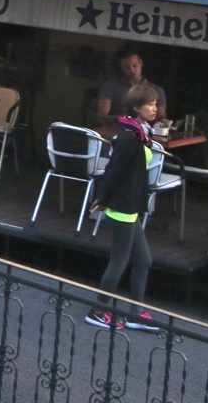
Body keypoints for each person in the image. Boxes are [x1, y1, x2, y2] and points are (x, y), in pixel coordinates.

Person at [86, 82, 164, 332]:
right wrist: (102, 197)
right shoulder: (129, 138)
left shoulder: (140, 133)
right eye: (150, 104)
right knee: (119, 261)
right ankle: (97, 310)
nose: (155, 108)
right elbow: (113, 171)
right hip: (121, 207)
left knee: (144, 261)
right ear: (136, 107)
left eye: (154, 103)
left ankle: (135, 314)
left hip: (131, 206)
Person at [96, 43, 168, 125]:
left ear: (140, 63)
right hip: (117, 130)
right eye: (127, 67)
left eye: (134, 65)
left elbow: (161, 118)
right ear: (122, 68)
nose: (132, 70)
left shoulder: (157, 90)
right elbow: (102, 115)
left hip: (145, 132)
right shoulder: (110, 86)